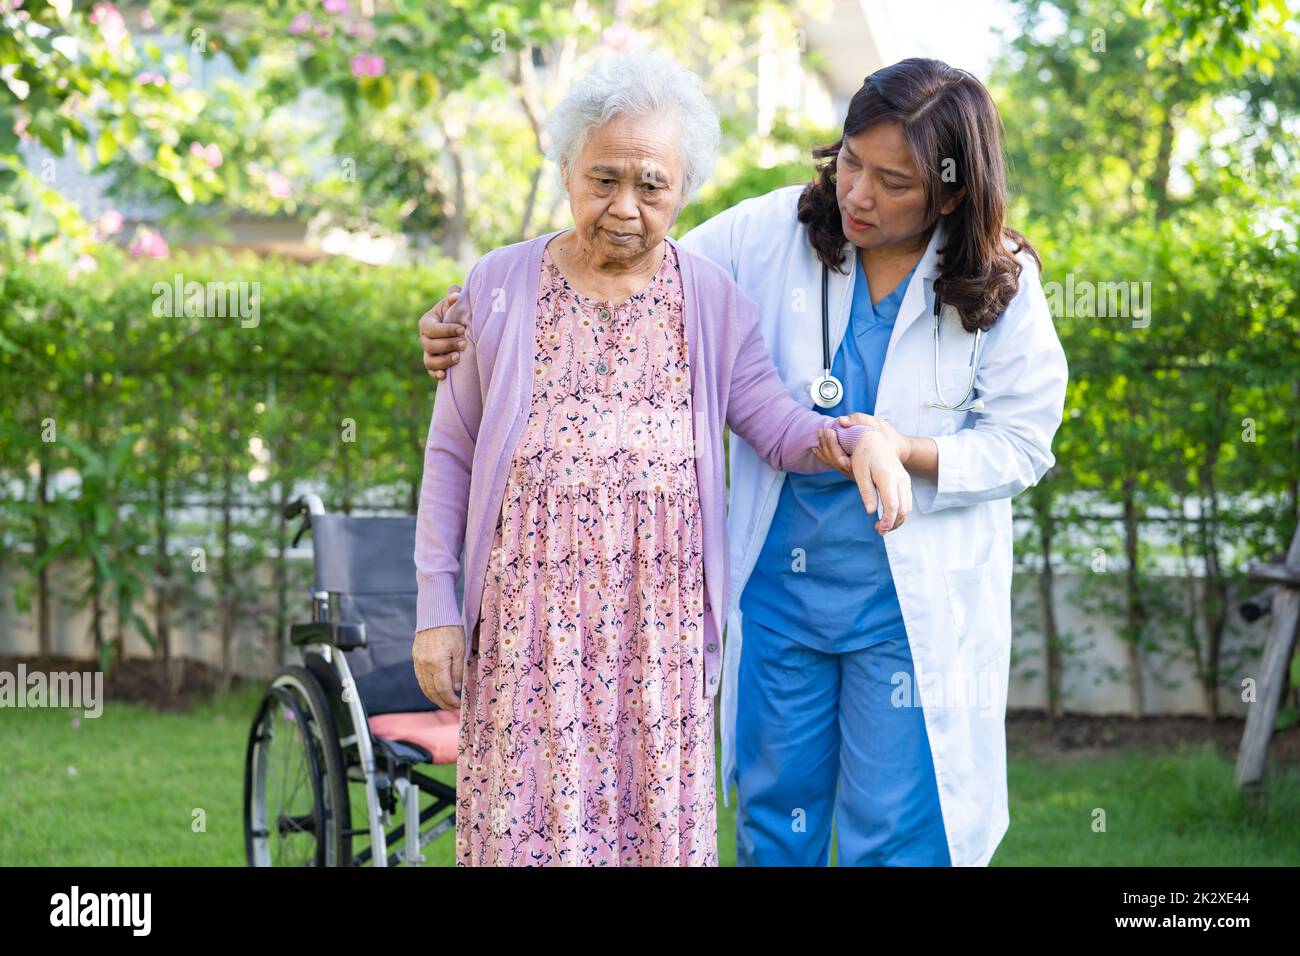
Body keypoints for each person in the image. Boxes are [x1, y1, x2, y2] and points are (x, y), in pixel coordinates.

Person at [420, 57, 1069, 867]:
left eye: (894, 182)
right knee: (778, 821)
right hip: (780, 598)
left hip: (907, 606)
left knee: (898, 833)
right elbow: (629, 259)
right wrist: (464, 317)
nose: (859, 196)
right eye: (852, 164)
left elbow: (1023, 439)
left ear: (950, 190)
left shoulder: (996, 278)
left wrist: (903, 447)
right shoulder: (765, 232)